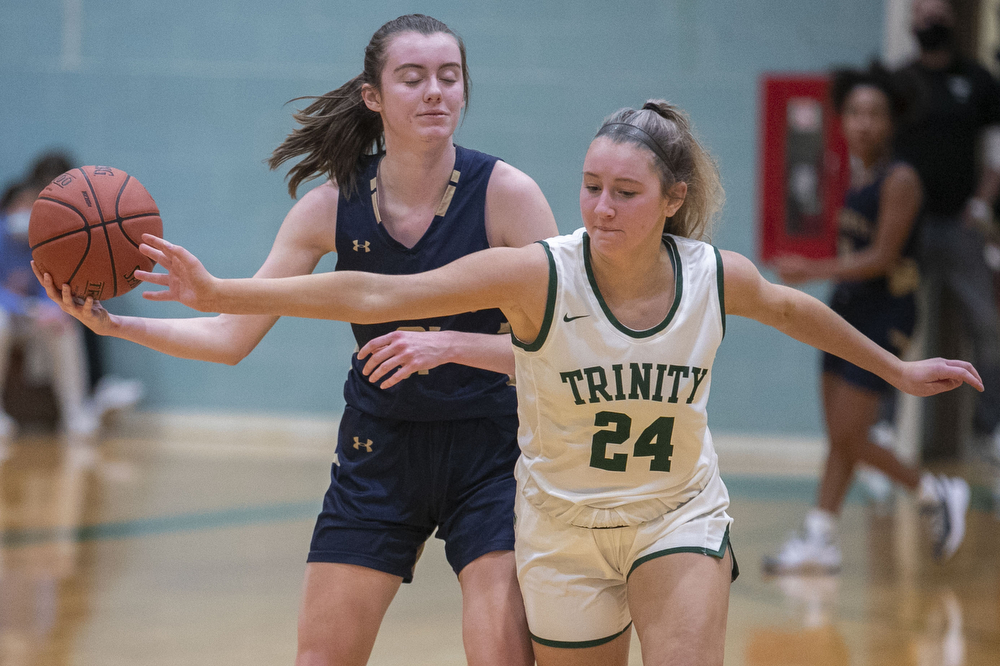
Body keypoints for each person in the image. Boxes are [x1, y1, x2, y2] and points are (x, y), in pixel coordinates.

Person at [85, 100, 982, 666]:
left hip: (675, 513)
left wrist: (898, 370)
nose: (600, 208)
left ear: (673, 199)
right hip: (561, 527)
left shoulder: (715, 275)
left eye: (624, 192)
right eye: (590, 187)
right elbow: (376, 293)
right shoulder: (539, 273)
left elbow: (793, 310)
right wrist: (222, 292)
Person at [35, 14, 556, 666]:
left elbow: (565, 350)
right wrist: (116, 326)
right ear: (373, 95)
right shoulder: (329, 206)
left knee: (500, 655)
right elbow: (230, 338)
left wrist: (452, 346)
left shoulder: (507, 196)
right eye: (413, 77)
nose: (435, 91)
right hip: (381, 447)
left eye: (449, 77)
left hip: (492, 450)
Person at [764, 64, 971, 575]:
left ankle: (934, 490)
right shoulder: (858, 176)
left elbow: (881, 257)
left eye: (875, 113)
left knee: (852, 435)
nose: (863, 123)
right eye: (855, 112)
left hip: (886, 312)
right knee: (840, 434)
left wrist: (811, 270)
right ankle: (820, 537)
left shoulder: (901, 179)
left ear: (891, 121)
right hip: (849, 306)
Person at [894, 0, 1000, 461]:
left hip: (961, 226)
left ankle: (991, 427)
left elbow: (995, 150)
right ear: (911, 21)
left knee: (986, 324)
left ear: (952, 19)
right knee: (894, 323)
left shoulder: (978, 81)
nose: (929, 22)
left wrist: (980, 204)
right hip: (909, 229)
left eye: (937, 14)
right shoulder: (900, 81)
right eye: (921, 14)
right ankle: (883, 427)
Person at [0, 176, 98, 439]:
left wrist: (52, 308)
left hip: (35, 319)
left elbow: (53, 283)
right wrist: (26, 307)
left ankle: (74, 413)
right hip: (10, 315)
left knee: (65, 323)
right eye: (20, 204)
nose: (25, 211)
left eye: (32, 206)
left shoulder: (47, 241)